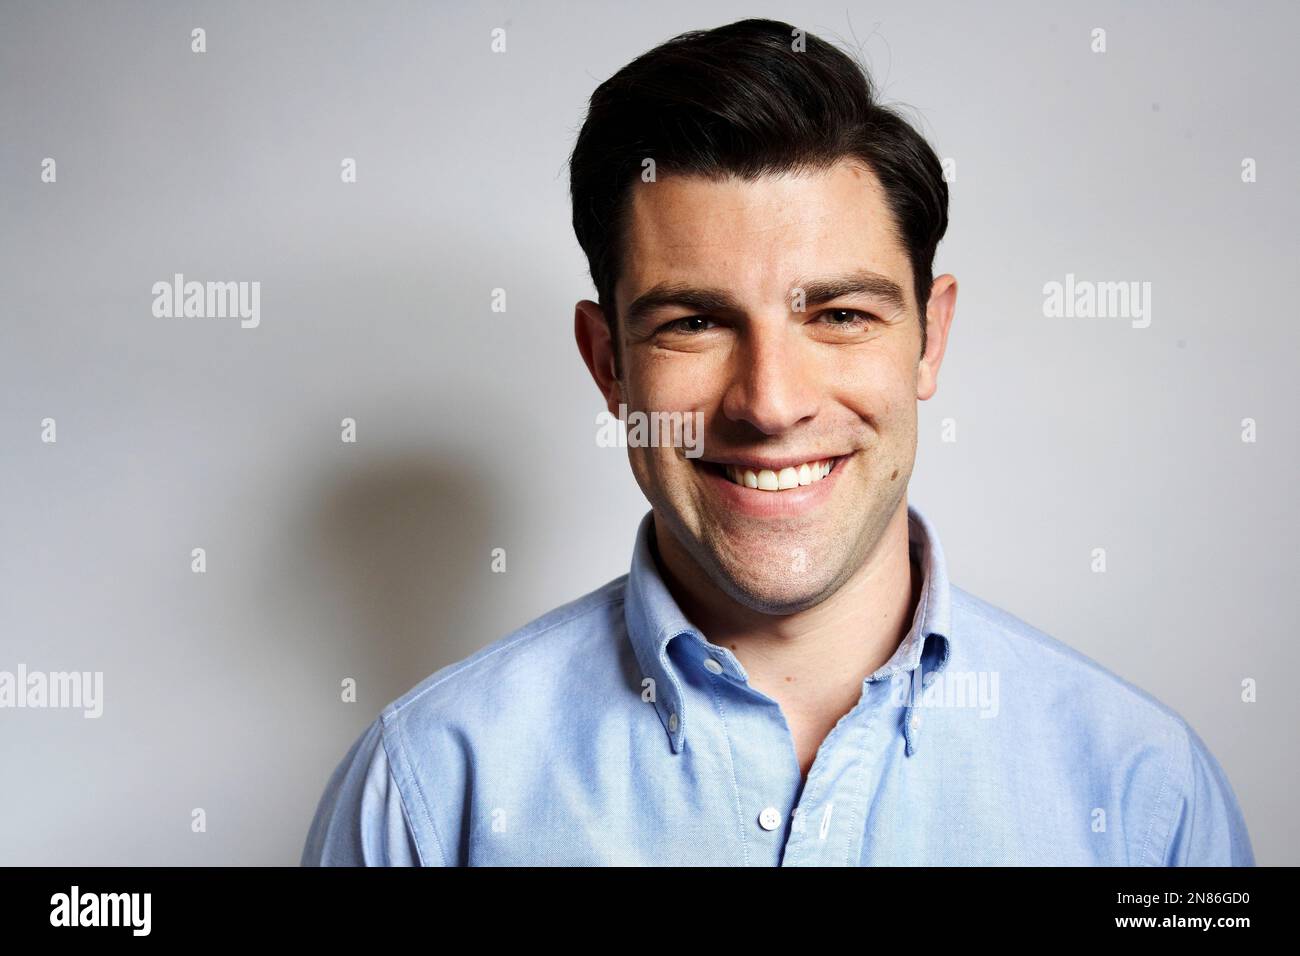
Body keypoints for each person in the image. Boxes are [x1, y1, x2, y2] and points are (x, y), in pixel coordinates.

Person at [301, 17, 1253, 866]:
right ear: (608, 365)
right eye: (693, 323)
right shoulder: (427, 793)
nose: (769, 403)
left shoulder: (1142, 796)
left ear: (933, 338)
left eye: (839, 314)